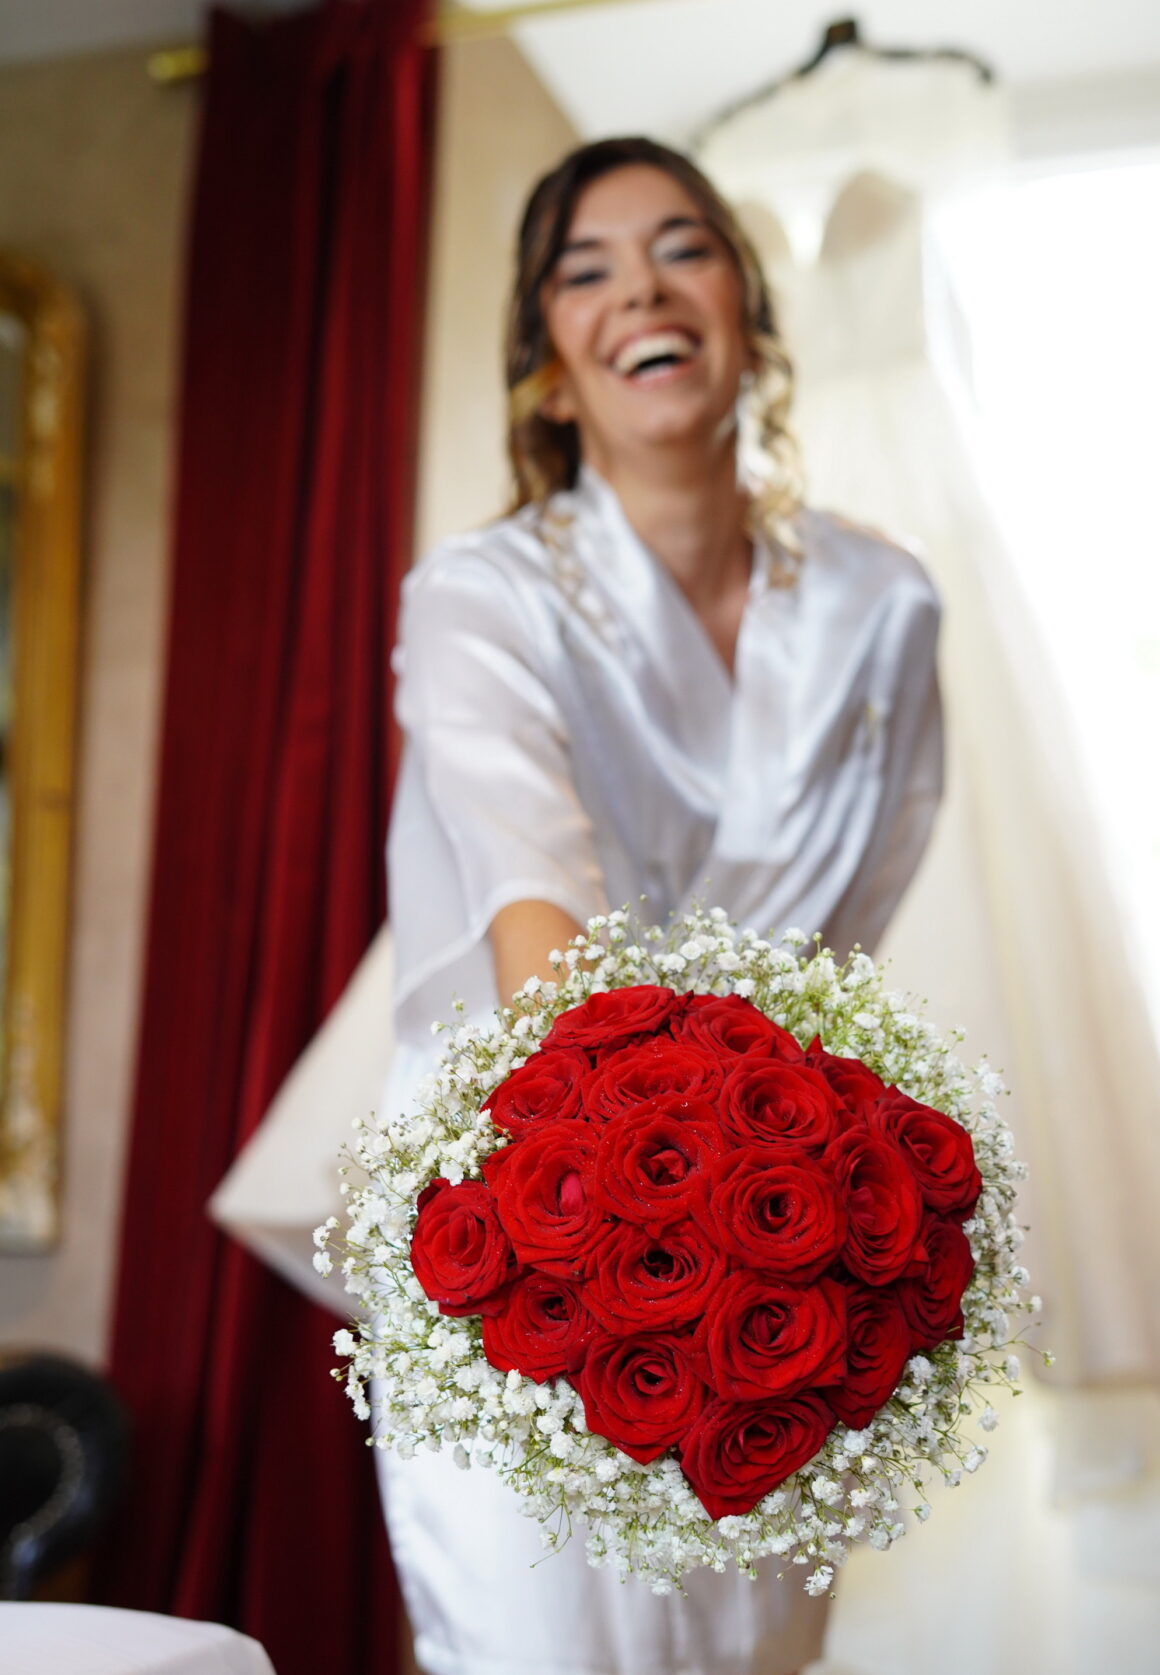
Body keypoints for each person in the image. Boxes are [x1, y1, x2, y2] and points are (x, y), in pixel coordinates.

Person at [378, 136, 944, 1675]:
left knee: (758, 1643)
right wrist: (636, 1182)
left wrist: (807, 1186)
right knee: (549, 1638)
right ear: (551, 374)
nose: (641, 286)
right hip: (530, 1195)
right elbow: (530, 895)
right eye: (586, 267)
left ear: (748, 319)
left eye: (683, 247)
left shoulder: (885, 605)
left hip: (783, 1195)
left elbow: (865, 898)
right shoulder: (482, 599)